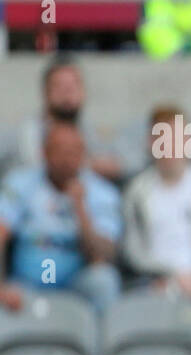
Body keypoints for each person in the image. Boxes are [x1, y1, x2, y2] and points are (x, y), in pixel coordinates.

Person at [0, 122, 122, 312]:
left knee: (105, 280)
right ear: (44, 153)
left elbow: (104, 255)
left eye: (73, 152)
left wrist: (81, 211)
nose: (66, 160)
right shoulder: (21, 182)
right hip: (27, 284)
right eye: (59, 151)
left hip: (76, 284)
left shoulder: (101, 192)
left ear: (83, 155)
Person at [121, 106, 191, 301]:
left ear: (189, 140)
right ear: (150, 143)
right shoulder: (136, 192)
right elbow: (133, 250)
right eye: (162, 138)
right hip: (150, 284)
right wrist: (170, 276)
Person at [2, 55, 132, 182]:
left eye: (73, 86)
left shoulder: (95, 134)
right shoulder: (24, 135)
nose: (67, 93)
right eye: (59, 86)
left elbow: (126, 163)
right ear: (45, 92)